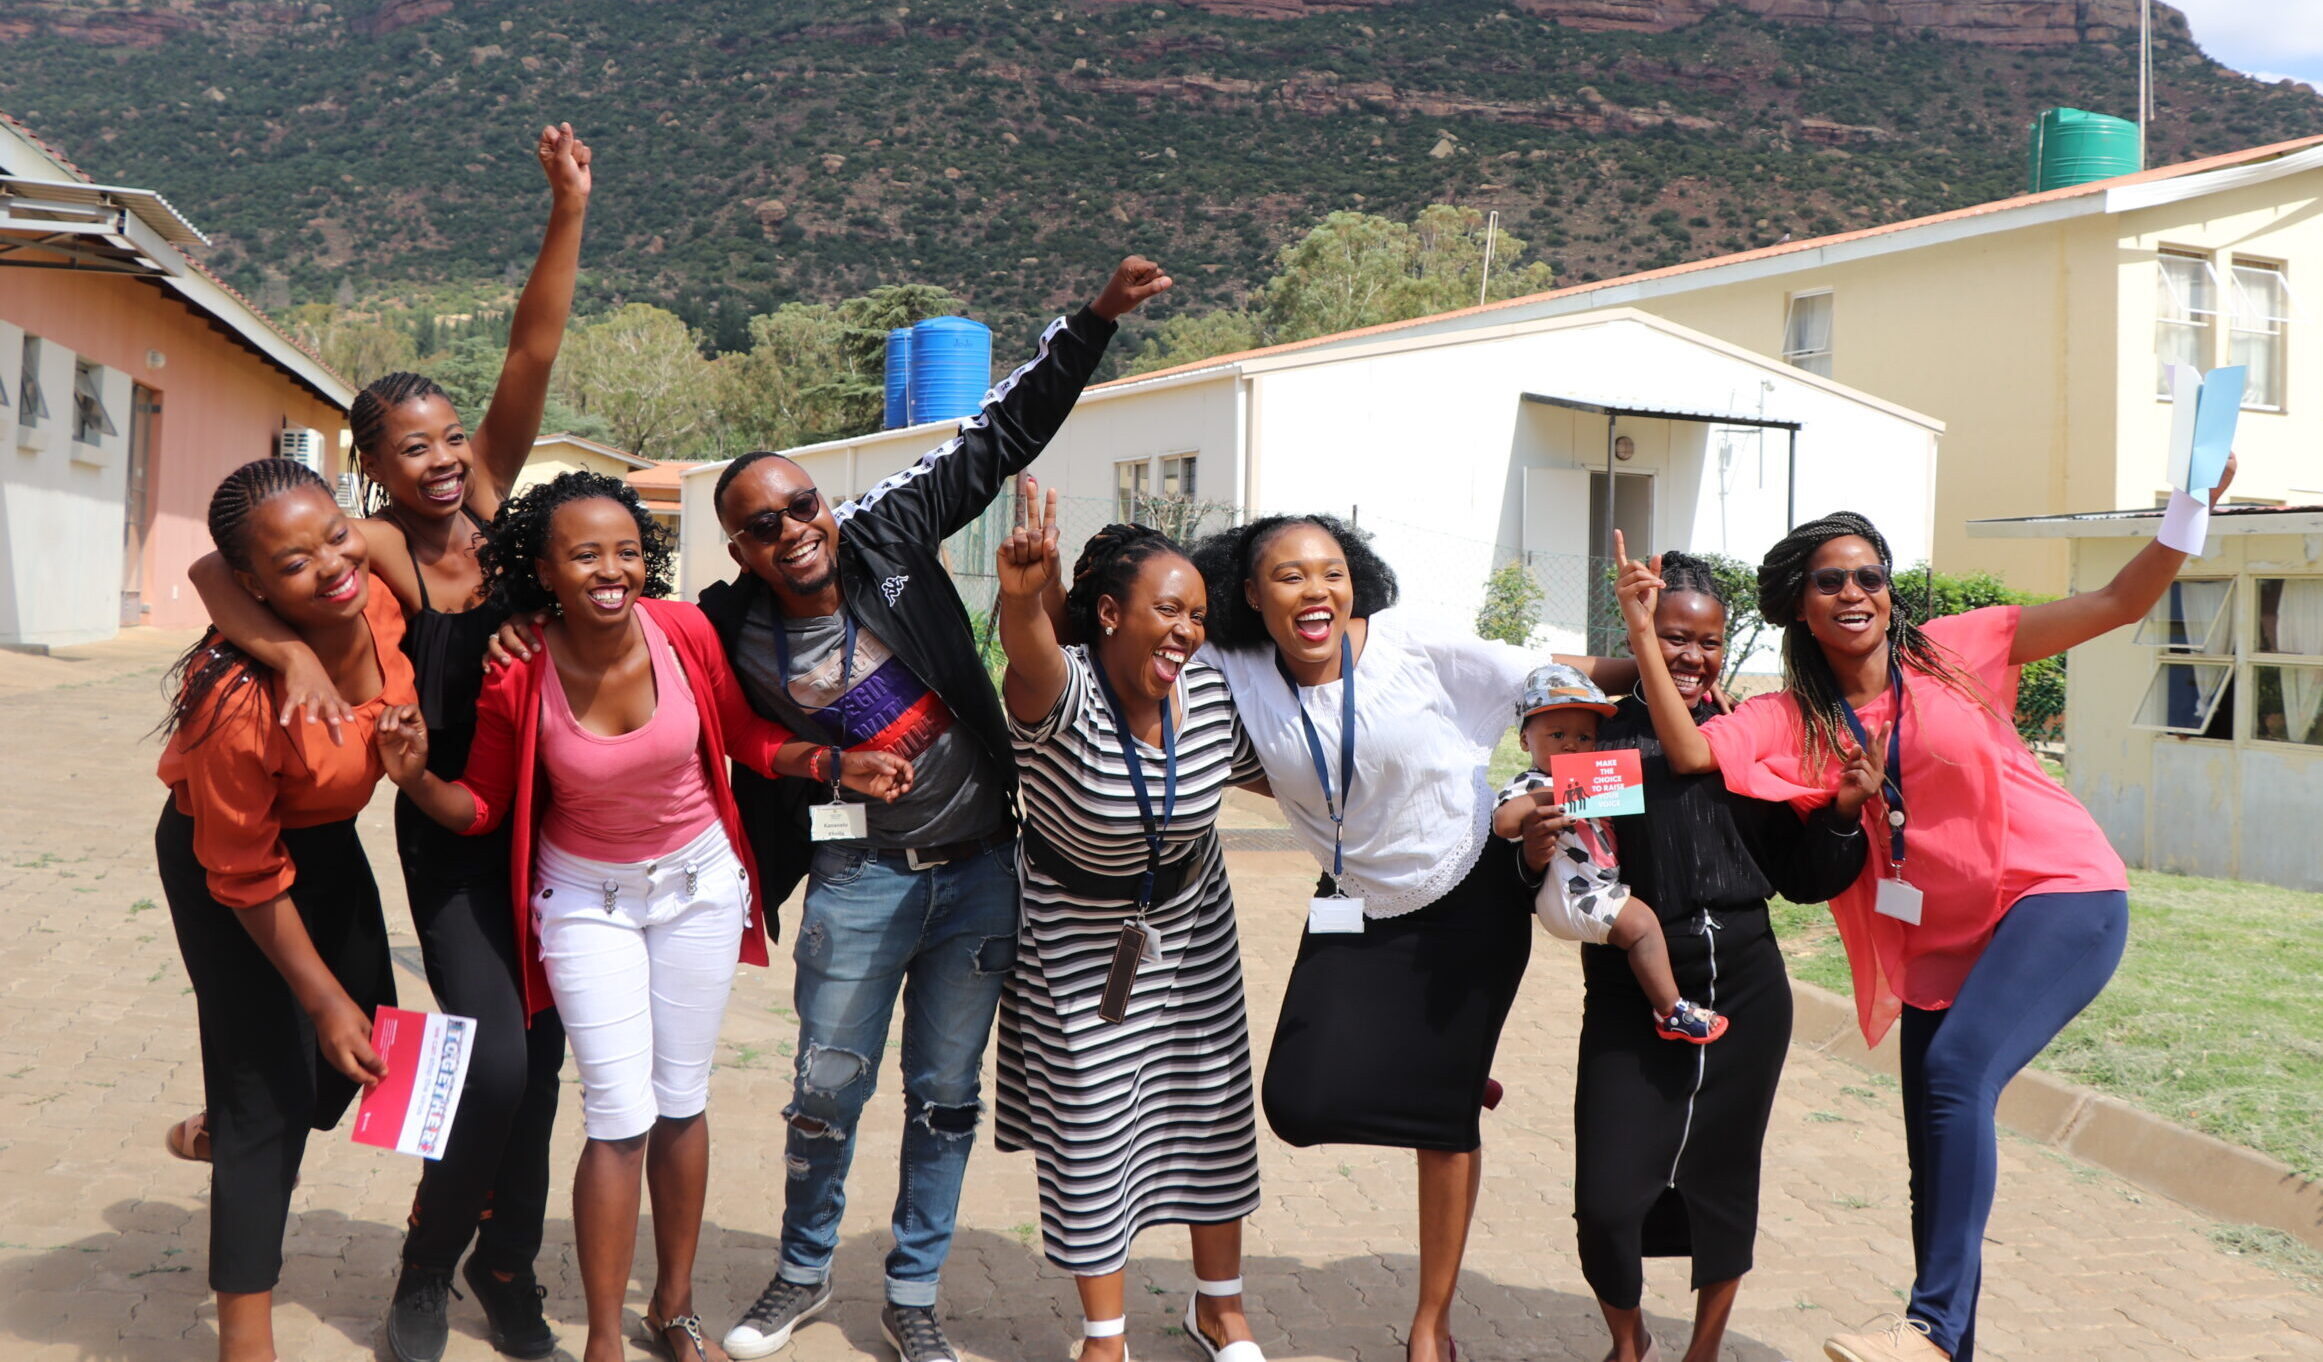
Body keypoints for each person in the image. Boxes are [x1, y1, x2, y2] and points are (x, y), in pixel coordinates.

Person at [636, 257, 1170, 1362]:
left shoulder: (886, 534)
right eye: (759, 522)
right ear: (735, 545)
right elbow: (724, 730)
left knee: (943, 1096)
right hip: (856, 879)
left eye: (799, 504)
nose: (789, 528)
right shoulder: (724, 626)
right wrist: (822, 769)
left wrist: (1096, 319)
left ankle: (914, 1291)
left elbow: (997, 434)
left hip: (979, 875)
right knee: (824, 1092)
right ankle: (798, 1275)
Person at [1615, 463, 2235, 1362]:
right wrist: (1640, 631)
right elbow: (1686, 749)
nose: (1854, 591)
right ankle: (1946, 1343)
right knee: (1931, 1159)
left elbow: (2116, 601)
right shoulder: (1790, 717)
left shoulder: (1951, 647)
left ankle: (1932, 1330)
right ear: (1798, 604)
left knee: (1955, 1080)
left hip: (2058, 891)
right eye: (1829, 579)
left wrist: (2188, 511)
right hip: (1937, 936)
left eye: (1869, 574)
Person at [184, 122, 593, 1362]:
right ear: (369, 469)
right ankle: (427, 1270)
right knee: (494, 1071)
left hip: (552, 828)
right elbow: (219, 565)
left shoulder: (492, 507)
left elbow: (533, 344)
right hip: (447, 831)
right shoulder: (372, 549)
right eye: (407, 447)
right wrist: (290, 652)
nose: (439, 458)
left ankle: (507, 1272)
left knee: (545, 1074)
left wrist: (566, 209)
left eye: (447, 437)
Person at [376, 472, 913, 1362]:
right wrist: (413, 779)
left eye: (627, 550)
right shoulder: (521, 670)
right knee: (618, 1117)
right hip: (589, 901)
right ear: (544, 570)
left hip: (700, 887)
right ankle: (601, 1341)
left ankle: (674, 1309)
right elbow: (482, 807)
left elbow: (738, 735)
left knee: (682, 1102)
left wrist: (833, 766)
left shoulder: (685, 630)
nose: (611, 569)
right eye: (585, 554)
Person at [1188, 513, 1634, 1362]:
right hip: (1352, 898)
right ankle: (1447, 1078)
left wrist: (1657, 665)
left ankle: (1431, 1325)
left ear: (1352, 579)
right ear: (1250, 594)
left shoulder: (1415, 647)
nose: (1314, 590)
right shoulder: (1233, 667)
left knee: (1441, 1125)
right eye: (1288, 576)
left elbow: (1562, 682)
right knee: (1296, 1104)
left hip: (1472, 890)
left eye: (1331, 571)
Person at [1534, 551, 1865, 1362]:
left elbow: (1800, 879)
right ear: (1642, 633)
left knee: (1722, 1180)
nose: (1692, 656)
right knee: (1608, 1198)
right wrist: (1531, 833)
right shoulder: (1603, 738)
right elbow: (1569, 830)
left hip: (1748, 984)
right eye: (1673, 636)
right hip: (1630, 990)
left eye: (1708, 641)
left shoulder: (1751, 733)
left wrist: (1841, 816)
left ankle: (1703, 1351)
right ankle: (1628, 1340)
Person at [990, 497, 1269, 1362]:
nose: (1185, 632)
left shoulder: (1213, 691)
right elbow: (1027, 655)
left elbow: (1298, 773)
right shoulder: (1063, 688)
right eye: (1166, 611)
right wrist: (1022, 600)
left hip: (1191, 926)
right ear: (1109, 614)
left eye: (1196, 615)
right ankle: (1103, 1338)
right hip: (1079, 939)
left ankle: (1219, 1309)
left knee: (1209, 1107)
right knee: (1093, 1128)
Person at [153, 458, 413, 1362]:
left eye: (335, 535)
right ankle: (244, 1339)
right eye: (293, 565)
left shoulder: (379, 596)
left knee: (360, 1049)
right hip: (228, 866)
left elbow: (214, 570)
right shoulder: (235, 703)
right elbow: (244, 877)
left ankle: (221, 1129)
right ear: (257, 589)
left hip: (325, 844)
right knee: (270, 1085)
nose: (331, 565)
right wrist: (319, 997)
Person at [1493, 662, 1726, 1045]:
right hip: (1574, 896)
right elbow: (1505, 823)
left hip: (1599, 887)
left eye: (1585, 737)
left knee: (1642, 927)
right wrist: (1559, 791)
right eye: (1556, 734)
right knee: (1644, 927)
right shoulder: (1530, 783)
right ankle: (1671, 1011)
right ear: (1524, 741)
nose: (1571, 744)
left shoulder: (1596, 777)